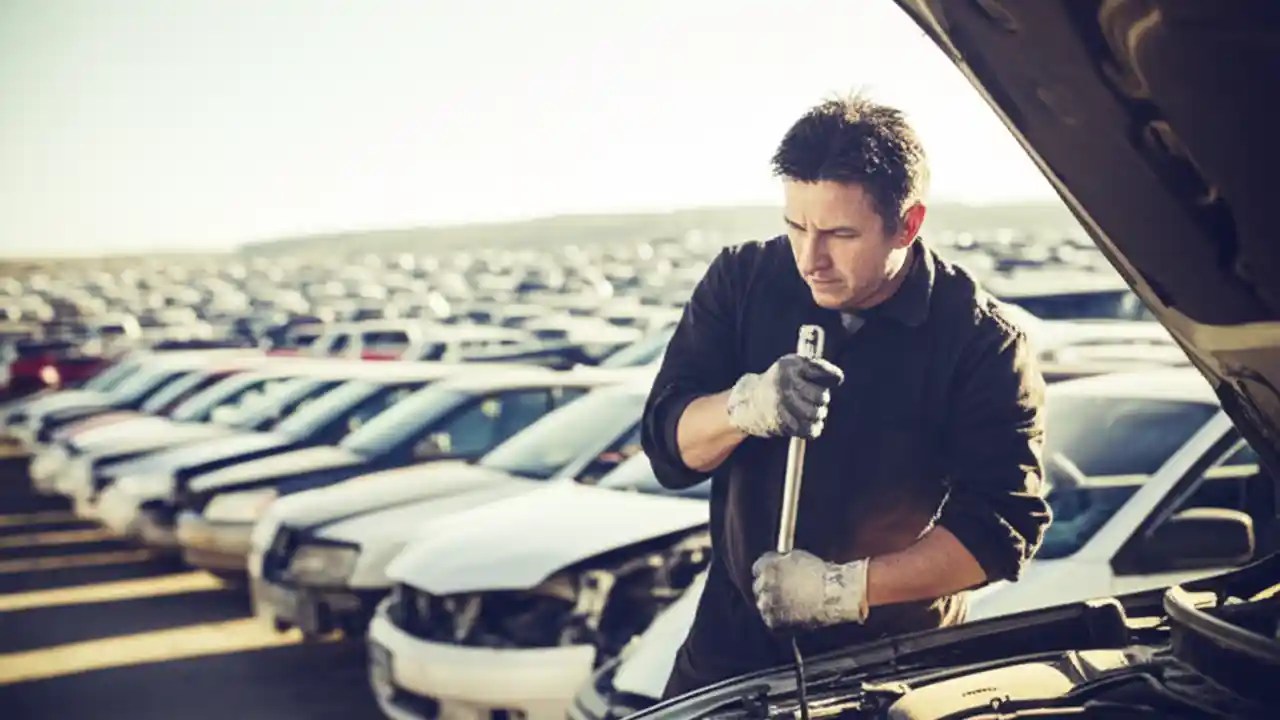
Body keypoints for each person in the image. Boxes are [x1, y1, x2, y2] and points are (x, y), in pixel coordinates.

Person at [641, 94, 1052, 697]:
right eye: (796, 226)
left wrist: (843, 590)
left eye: (839, 233)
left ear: (908, 225)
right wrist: (744, 407)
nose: (811, 258)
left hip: (897, 662)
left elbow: (1000, 531)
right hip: (732, 647)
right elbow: (665, 445)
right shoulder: (741, 280)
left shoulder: (982, 342)